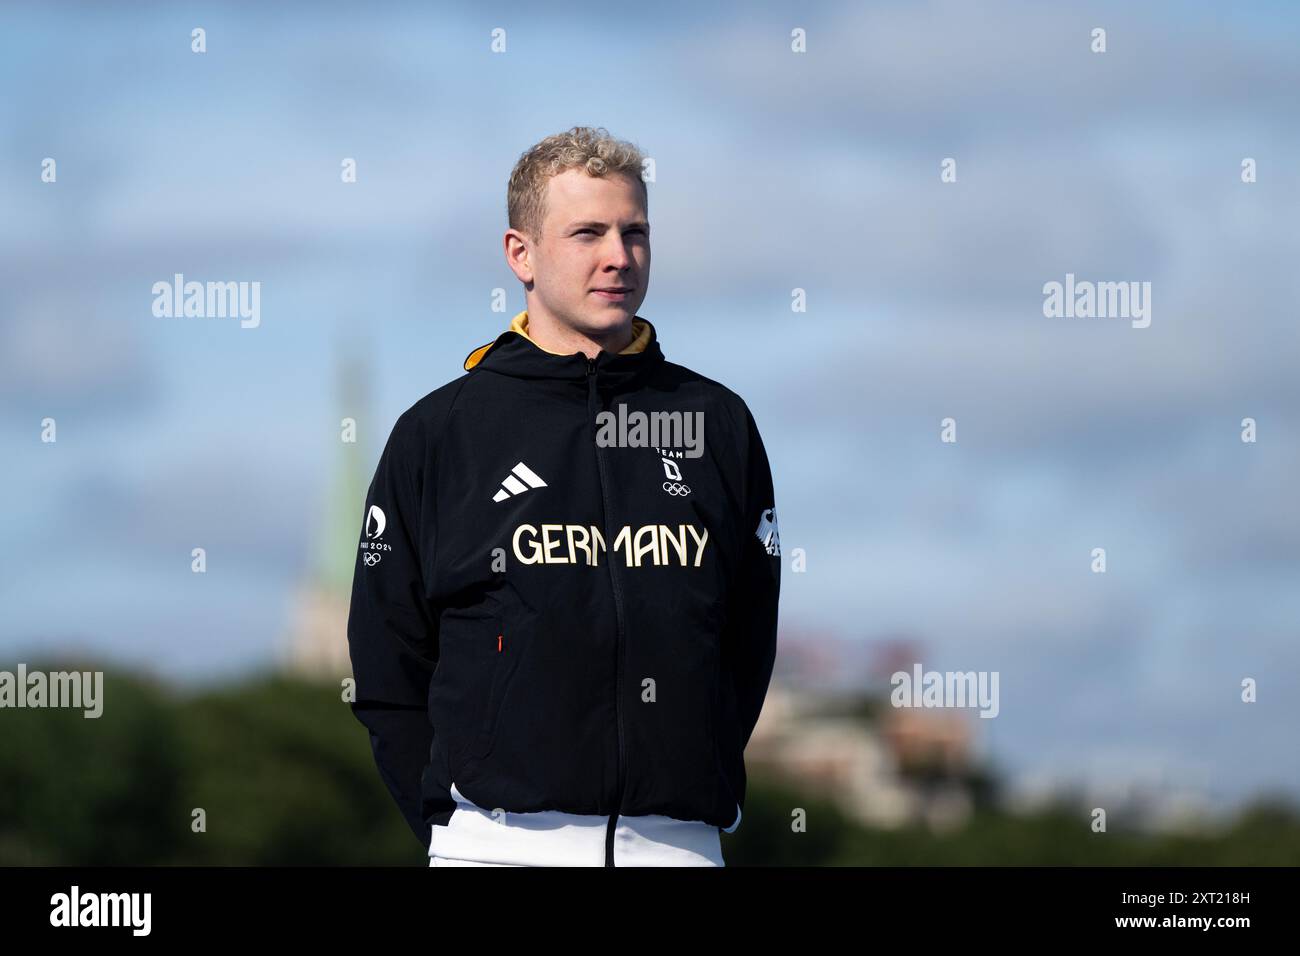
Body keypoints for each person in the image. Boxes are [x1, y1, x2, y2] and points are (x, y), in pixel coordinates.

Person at [346, 126, 780, 867]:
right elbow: (387, 663)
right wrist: (453, 824)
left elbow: (746, 644)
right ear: (521, 253)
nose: (619, 256)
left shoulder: (717, 423)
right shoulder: (439, 432)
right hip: (495, 847)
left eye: (634, 232)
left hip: (679, 849)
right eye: (588, 233)